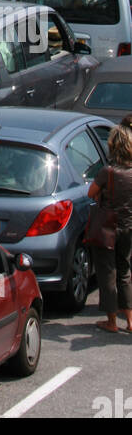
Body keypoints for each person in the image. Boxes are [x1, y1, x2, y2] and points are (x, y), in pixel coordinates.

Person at [87, 121, 132, 334]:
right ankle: (131, 322)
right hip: (129, 227)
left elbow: (90, 193)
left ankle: (112, 321)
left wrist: (100, 193)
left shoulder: (108, 172)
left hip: (107, 228)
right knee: (125, 271)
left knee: (107, 273)